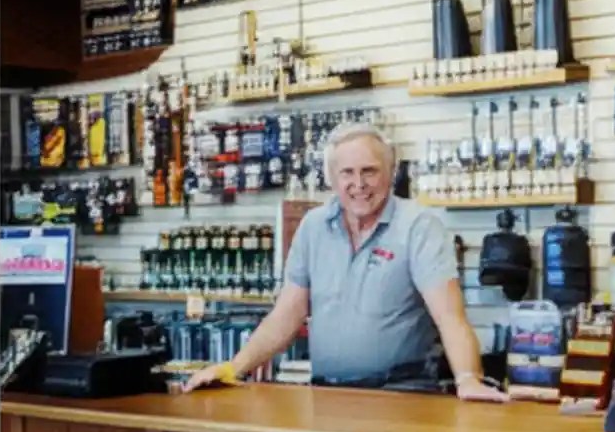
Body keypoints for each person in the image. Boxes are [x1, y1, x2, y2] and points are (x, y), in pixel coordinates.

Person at [182, 122, 507, 402]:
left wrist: (468, 379)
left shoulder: (418, 226)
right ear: (332, 179)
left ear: (391, 173)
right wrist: (233, 367)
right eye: (347, 173)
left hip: (402, 393)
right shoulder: (313, 227)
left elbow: (449, 316)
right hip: (326, 394)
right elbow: (286, 315)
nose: (359, 184)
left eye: (369, 171)